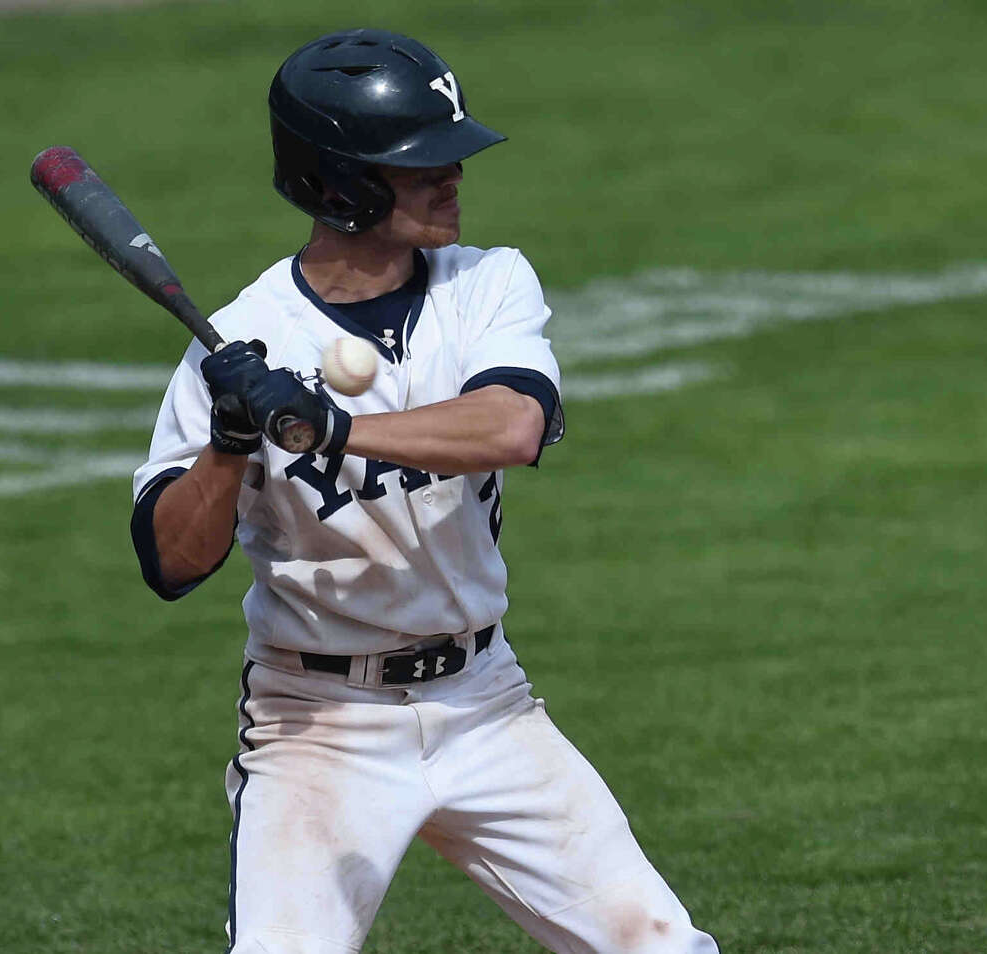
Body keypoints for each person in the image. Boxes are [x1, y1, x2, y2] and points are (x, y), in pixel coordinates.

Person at [130, 27, 719, 954]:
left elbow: (511, 427)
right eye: (417, 164)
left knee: (656, 943)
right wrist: (231, 443)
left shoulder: (487, 283)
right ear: (337, 182)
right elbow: (169, 562)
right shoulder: (241, 345)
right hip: (316, 727)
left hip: (485, 703)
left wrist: (328, 427)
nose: (450, 176)